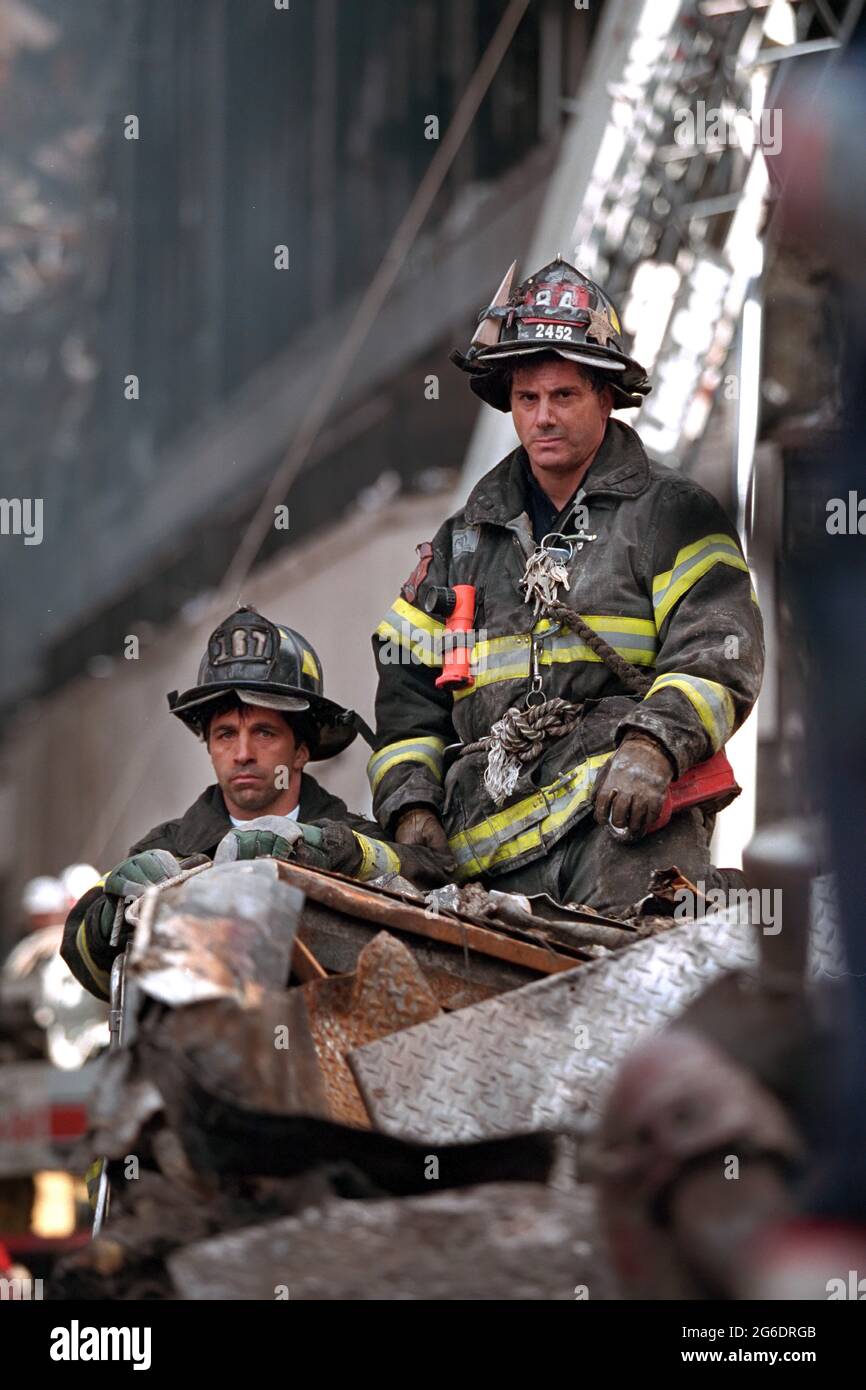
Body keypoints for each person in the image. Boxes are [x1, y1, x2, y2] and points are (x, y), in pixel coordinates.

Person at [369, 257, 764, 914]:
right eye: (528, 399)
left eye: (564, 396)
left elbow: (720, 647)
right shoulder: (460, 542)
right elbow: (405, 696)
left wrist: (652, 746)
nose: (543, 417)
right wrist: (411, 807)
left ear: (606, 397)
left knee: (637, 1000)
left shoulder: (672, 515)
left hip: (627, 831)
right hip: (483, 860)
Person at [63, 605, 450, 999]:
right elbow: (86, 964)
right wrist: (109, 916)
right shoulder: (168, 848)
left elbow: (437, 876)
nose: (243, 753)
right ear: (210, 747)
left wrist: (332, 854)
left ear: (301, 750)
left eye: (264, 733)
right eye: (226, 734)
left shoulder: (353, 841)